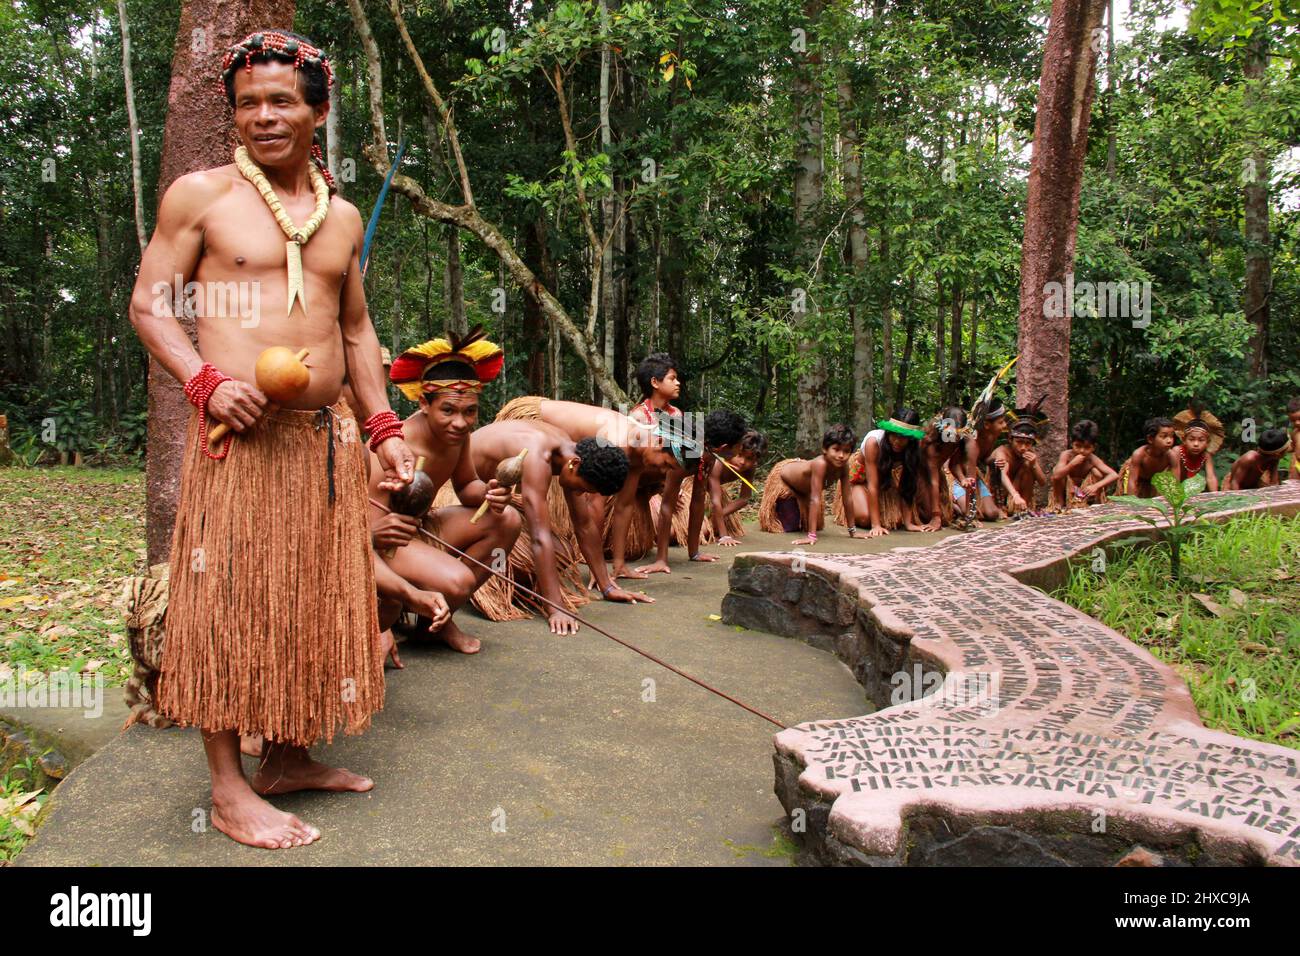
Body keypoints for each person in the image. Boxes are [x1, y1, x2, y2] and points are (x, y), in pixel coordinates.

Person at [127, 30, 416, 849]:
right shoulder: (202, 196)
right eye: (248, 101)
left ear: (318, 110)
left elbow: (356, 331)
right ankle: (227, 789)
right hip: (238, 442)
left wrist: (384, 426)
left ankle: (288, 758)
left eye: (282, 99)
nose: (264, 115)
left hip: (324, 445)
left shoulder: (342, 214)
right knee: (225, 604)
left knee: (310, 597)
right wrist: (204, 381)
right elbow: (152, 304)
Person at [374, 329, 522, 655]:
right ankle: (387, 611)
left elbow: (467, 486)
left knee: (508, 519)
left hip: (422, 527)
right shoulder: (395, 446)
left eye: (470, 411)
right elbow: (364, 535)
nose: (460, 422)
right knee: (459, 582)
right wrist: (380, 618)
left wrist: (491, 493)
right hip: (386, 543)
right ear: (424, 403)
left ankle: (433, 626)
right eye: (449, 410)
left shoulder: (458, 436)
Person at [457, 417, 652, 632]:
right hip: (464, 497)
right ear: (575, 465)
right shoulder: (538, 456)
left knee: (563, 551)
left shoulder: (571, 455)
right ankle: (473, 573)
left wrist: (606, 586)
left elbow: (584, 524)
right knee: (521, 561)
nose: (581, 494)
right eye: (584, 488)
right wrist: (555, 607)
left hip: (494, 500)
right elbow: (539, 538)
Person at [637, 409, 748, 573]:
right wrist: (661, 560)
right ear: (724, 447)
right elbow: (667, 505)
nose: (741, 449)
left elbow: (698, 499)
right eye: (740, 445)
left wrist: (694, 552)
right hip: (633, 485)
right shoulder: (682, 451)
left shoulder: (708, 454)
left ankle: (693, 551)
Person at [758, 424, 858, 543]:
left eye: (846, 451)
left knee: (816, 524)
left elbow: (847, 497)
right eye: (836, 449)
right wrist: (811, 536)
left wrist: (852, 530)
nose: (841, 455)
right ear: (825, 449)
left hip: (806, 489)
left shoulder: (844, 467)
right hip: (785, 481)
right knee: (790, 526)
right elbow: (815, 499)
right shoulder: (820, 464)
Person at [836, 410, 928, 536]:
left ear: (910, 439)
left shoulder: (913, 449)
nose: (897, 441)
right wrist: (876, 525)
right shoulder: (873, 442)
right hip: (861, 481)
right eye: (894, 435)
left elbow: (908, 483)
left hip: (884, 483)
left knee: (898, 520)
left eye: (903, 437)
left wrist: (909, 523)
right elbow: (872, 485)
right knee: (864, 518)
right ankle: (863, 509)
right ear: (888, 432)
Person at [956, 398, 1010, 521]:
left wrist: (994, 461)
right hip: (958, 477)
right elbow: (970, 478)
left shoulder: (991, 437)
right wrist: (970, 514)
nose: (1004, 425)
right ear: (986, 424)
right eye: (1001, 422)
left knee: (992, 514)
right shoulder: (973, 442)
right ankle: (951, 504)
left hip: (973, 477)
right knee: (972, 512)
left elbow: (984, 458)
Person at [1049, 419, 1119, 510]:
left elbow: (1114, 475)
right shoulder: (1066, 455)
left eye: (1087, 447)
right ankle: (1059, 503)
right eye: (1078, 446)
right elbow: (1056, 476)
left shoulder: (1092, 459)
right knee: (1057, 471)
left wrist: (1095, 486)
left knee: (1097, 472)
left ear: (1093, 447)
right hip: (1067, 490)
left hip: (1085, 492)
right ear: (1071, 443)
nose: (1082, 451)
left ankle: (1096, 502)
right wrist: (1071, 464)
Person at [989, 420, 1048, 516]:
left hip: (1018, 496)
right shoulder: (1002, 452)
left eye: (1028, 443)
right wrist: (1015, 495)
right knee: (1004, 466)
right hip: (999, 494)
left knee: (1027, 466)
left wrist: (1034, 464)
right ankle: (1002, 507)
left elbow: (1043, 482)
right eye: (1019, 442)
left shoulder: (1030, 454)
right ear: (1010, 439)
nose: (1023, 447)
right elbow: (1003, 475)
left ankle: (1022, 508)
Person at [1117, 417, 1178, 497]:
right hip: (1133, 476)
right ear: (1150, 439)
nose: (1169, 440)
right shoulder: (1139, 455)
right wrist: (1131, 503)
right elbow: (1132, 481)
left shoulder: (1171, 456)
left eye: (1171, 436)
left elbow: (1175, 482)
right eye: (1164, 436)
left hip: (1152, 480)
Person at [1172, 405, 1224, 492]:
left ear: (1207, 442)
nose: (1196, 444)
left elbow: (1211, 478)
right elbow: (1174, 478)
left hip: (1186, 490)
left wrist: (1216, 496)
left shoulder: (1205, 455)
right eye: (1191, 439)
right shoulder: (1177, 451)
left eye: (1201, 440)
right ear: (1184, 440)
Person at [1224, 428, 1291, 490]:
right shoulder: (1249, 458)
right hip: (1234, 487)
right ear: (1278, 454)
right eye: (1287, 448)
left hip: (1253, 487)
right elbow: (1235, 482)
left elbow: (1274, 483)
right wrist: (1239, 500)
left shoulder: (1274, 459)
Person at [1286, 398, 1300, 481]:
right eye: (1293, 420)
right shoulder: (1294, 432)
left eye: (1299, 419)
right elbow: (1292, 447)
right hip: (1297, 464)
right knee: (1293, 485)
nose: (1297, 423)